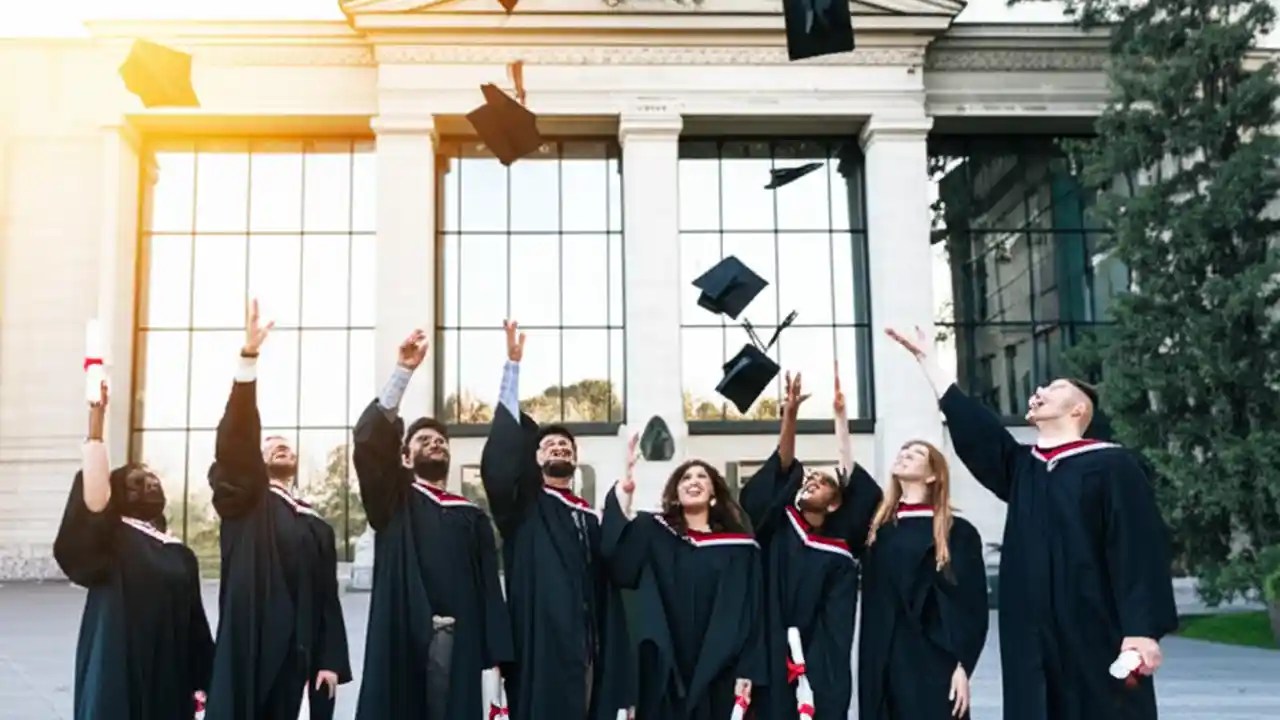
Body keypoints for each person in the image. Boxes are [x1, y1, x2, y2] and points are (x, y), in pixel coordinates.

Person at [886, 326, 1178, 720]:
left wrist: (1141, 629)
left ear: (1079, 410)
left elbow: (1137, 547)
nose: (1039, 390)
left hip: (1095, 628)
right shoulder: (1025, 469)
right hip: (1030, 635)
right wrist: (928, 362)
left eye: (1054, 388)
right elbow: (978, 431)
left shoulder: (1112, 465)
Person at [352, 329, 513, 720]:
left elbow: (490, 588)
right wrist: (403, 372)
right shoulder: (394, 501)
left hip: (462, 644)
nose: (436, 442)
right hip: (405, 637)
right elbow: (370, 447)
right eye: (423, 439)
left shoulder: (472, 516)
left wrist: (498, 658)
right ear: (405, 457)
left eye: (441, 439)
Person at [204, 299, 352, 720]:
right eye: (270, 444)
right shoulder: (246, 500)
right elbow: (235, 445)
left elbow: (327, 597)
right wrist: (248, 361)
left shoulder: (315, 524)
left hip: (301, 655)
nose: (281, 445)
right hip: (250, 643)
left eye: (286, 444)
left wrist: (331, 660)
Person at [479, 319, 634, 720]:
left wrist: (625, 495)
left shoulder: (589, 515)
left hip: (589, 644)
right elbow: (499, 465)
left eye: (566, 445)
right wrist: (512, 369)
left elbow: (618, 563)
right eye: (549, 445)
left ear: (575, 459)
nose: (559, 448)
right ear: (533, 459)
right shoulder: (524, 506)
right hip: (541, 646)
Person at [53, 380, 214, 720]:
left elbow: (195, 623)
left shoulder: (179, 554)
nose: (150, 483)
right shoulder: (111, 536)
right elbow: (95, 500)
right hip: (119, 664)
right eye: (136, 482)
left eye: (153, 478)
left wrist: (205, 683)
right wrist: (96, 426)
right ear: (119, 496)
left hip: (170, 674)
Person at [738, 368, 881, 720]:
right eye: (810, 479)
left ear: (836, 503)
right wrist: (790, 415)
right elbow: (782, 466)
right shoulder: (779, 525)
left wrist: (841, 419)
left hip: (819, 661)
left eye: (823, 481)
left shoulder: (840, 548)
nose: (812, 480)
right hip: (768, 649)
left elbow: (854, 481)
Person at [603, 444, 767, 719]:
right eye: (686, 478)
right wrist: (625, 488)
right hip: (666, 665)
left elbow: (754, 612)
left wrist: (748, 669)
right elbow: (619, 565)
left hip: (720, 666)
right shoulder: (652, 532)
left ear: (714, 491)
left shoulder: (739, 547)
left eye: (702, 477)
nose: (694, 481)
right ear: (675, 494)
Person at [856, 437, 989, 719]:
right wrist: (842, 421)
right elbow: (849, 478)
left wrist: (963, 665)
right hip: (883, 657)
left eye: (916, 453)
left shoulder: (957, 533)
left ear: (932, 475)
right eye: (902, 450)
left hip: (934, 658)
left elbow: (971, 605)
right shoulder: (879, 531)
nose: (904, 454)